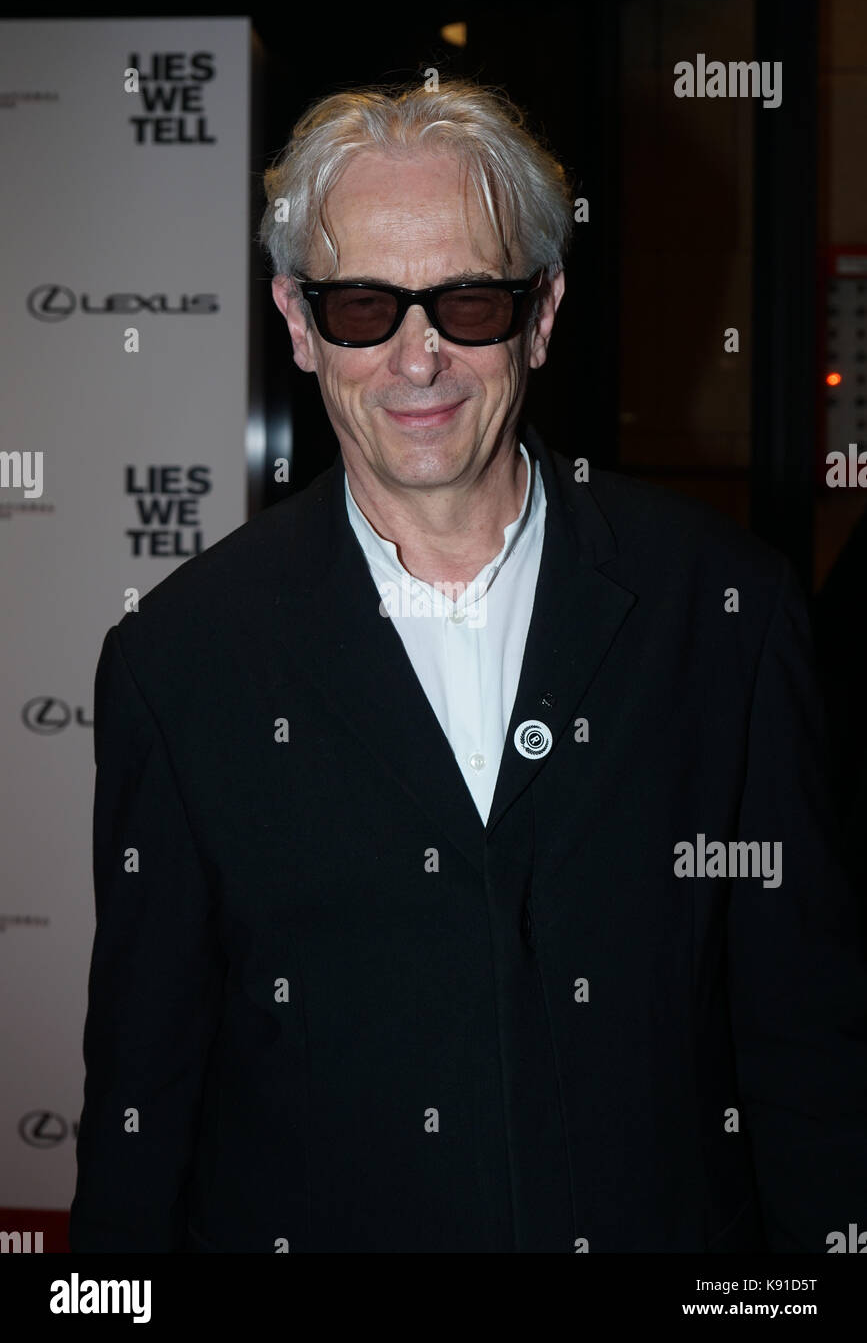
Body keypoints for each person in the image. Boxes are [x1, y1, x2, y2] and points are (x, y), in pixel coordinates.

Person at [69, 80, 867, 1253]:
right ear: (296, 322)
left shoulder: (724, 609)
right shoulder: (179, 659)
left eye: (469, 302)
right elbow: (145, 1099)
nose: (418, 359)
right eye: (362, 309)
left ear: (542, 314)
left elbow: (808, 1043)